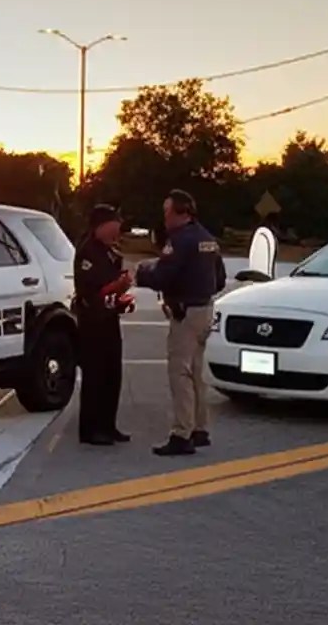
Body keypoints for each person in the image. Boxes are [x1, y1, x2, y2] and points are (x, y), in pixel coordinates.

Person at [135, 189, 226, 456]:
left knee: (180, 373)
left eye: (167, 212)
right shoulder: (207, 238)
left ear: (181, 213)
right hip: (204, 310)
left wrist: (142, 275)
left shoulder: (180, 240)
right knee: (196, 372)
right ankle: (200, 428)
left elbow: (164, 276)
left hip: (185, 314)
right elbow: (219, 279)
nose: (164, 218)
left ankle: (181, 434)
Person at [71, 204, 135, 446]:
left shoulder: (110, 253)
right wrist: (116, 287)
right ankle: (91, 429)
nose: (115, 235)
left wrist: (122, 299)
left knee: (112, 374)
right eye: (111, 229)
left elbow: (110, 290)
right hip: (92, 322)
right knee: (95, 377)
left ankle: (108, 425)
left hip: (109, 319)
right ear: (99, 226)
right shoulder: (88, 252)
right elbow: (90, 290)